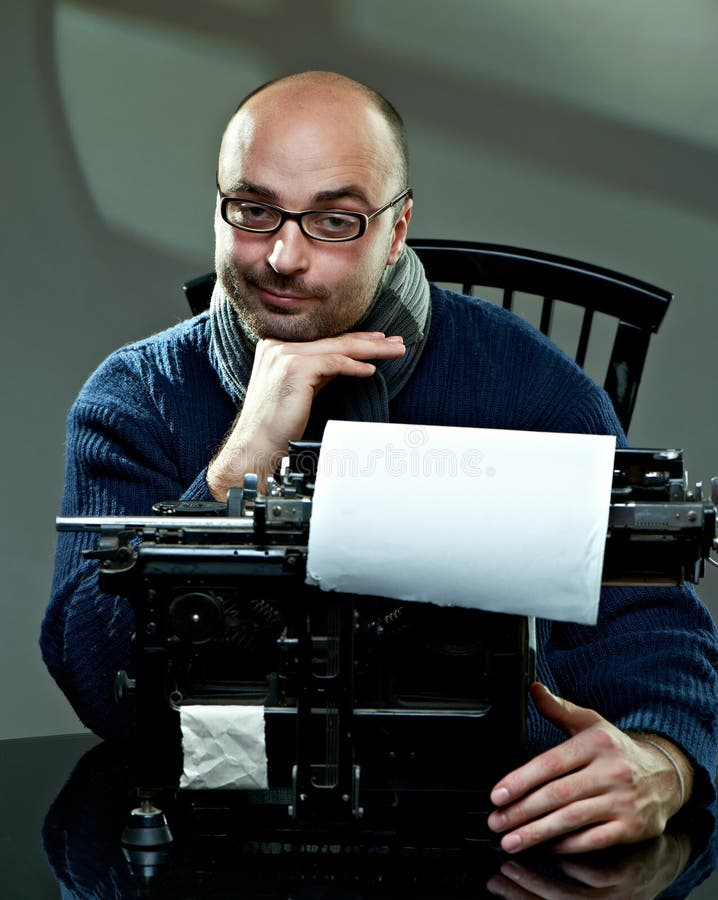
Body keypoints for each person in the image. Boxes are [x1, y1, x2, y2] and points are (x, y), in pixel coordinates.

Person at [42, 71, 718, 856]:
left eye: (335, 221)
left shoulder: (538, 392)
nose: (284, 256)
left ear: (397, 232)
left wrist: (663, 766)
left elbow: (660, 644)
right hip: (226, 838)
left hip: (491, 838)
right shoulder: (134, 400)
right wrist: (239, 460)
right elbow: (99, 687)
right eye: (254, 212)